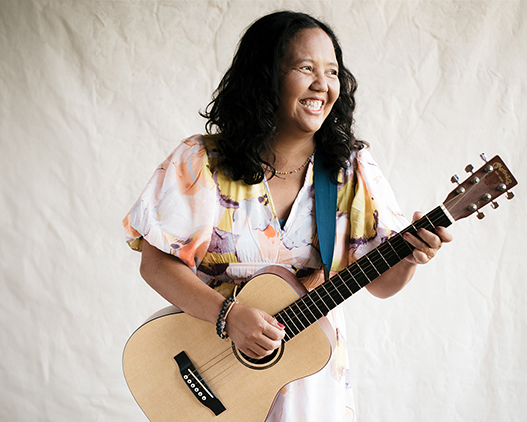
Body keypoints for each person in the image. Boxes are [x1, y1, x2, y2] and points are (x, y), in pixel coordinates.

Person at [122, 11, 452, 421]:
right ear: (266, 77)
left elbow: (382, 285)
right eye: (305, 67)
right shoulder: (203, 161)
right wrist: (230, 316)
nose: (322, 84)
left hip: (309, 381)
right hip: (211, 368)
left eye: (332, 71)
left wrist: (409, 256)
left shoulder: (350, 170)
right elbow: (155, 265)